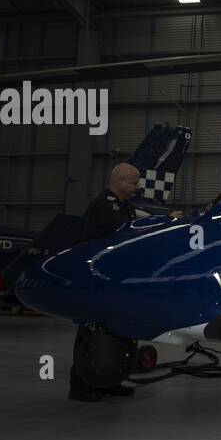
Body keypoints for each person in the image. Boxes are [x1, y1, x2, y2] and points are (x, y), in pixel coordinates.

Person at [68, 163, 142, 403]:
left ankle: (111, 381)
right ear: (121, 181)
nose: (137, 187)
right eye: (134, 182)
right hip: (98, 284)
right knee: (92, 333)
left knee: (118, 331)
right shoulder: (102, 207)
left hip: (117, 283)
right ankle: (81, 386)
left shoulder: (124, 207)